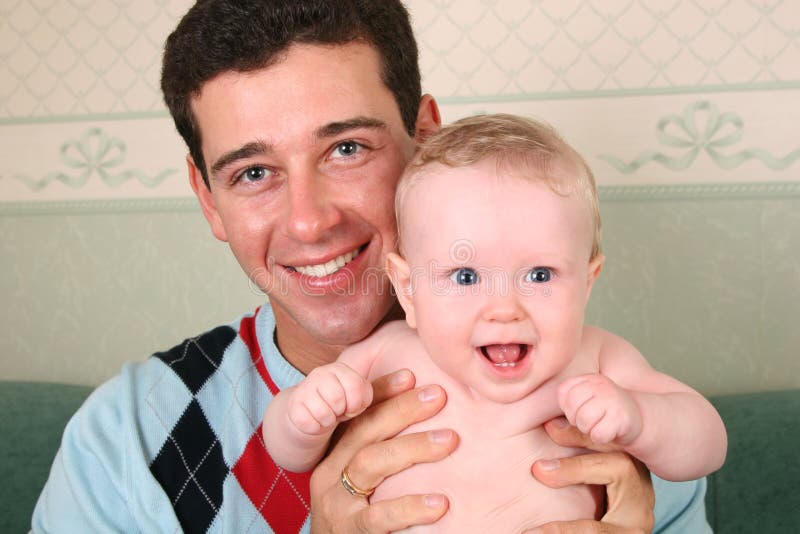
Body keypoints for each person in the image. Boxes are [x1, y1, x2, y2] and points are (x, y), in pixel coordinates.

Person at [32, 1, 713, 532]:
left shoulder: (607, 410)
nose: (309, 220)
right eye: (254, 171)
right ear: (208, 199)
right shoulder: (126, 438)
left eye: (348, 149)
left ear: (426, 138)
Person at [263, 114, 727, 531]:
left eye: (539, 274)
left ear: (587, 282)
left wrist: (641, 420)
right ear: (409, 288)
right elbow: (288, 451)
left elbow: (707, 445)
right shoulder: (386, 354)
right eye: (465, 276)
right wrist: (305, 415)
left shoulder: (597, 359)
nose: (504, 309)